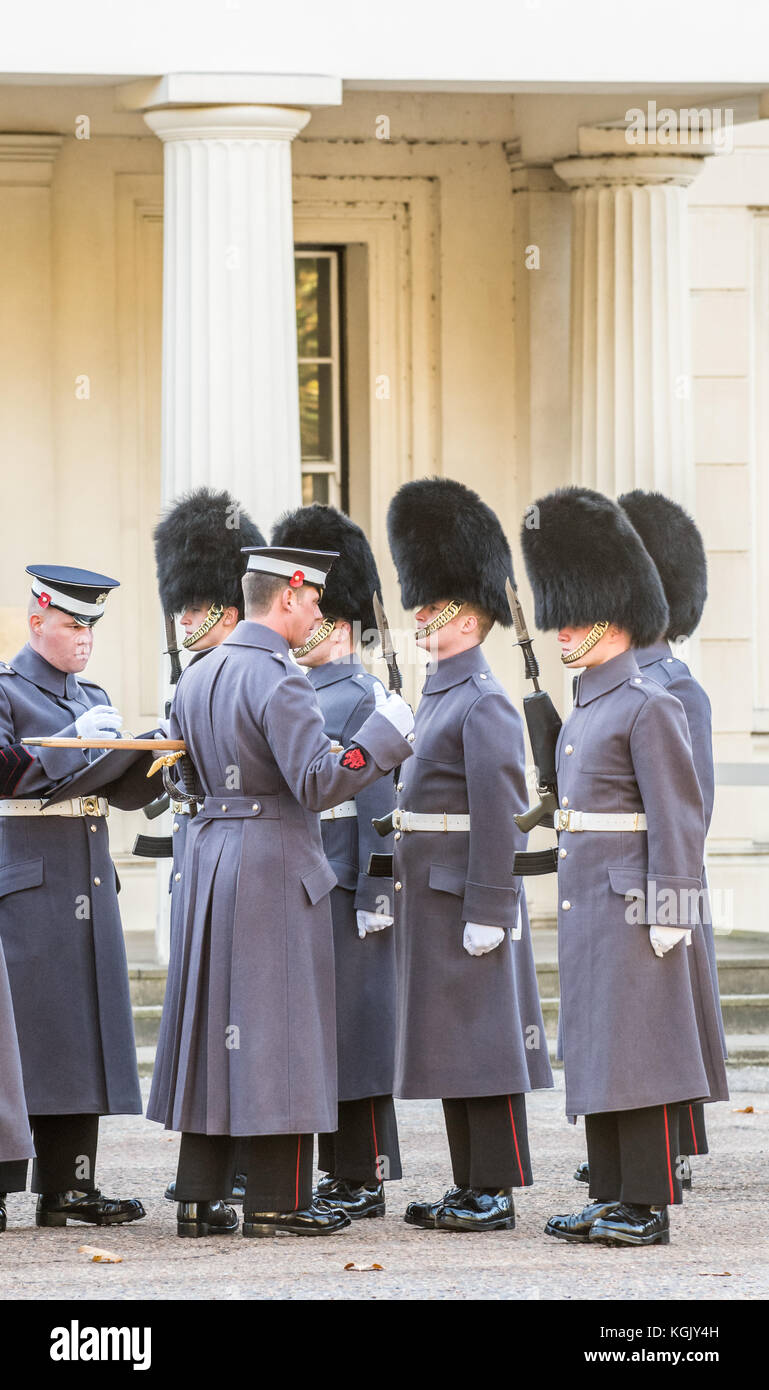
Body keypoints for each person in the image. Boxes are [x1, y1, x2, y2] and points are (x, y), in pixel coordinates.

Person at [151, 545, 414, 1238]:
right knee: (286, 1037)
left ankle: (201, 1197)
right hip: (273, 863)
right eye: (314, 603)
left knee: (219, 1033)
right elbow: (318, 783)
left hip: (214, 861)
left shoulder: (198, 675)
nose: (319, 617)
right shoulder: (281, 680)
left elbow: (180, 782)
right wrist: (381, 739)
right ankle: (277, 1198)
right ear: (289, 597)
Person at [520, 486, 728, 1248]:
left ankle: (643, 1203)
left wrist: (673, 911)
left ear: (612, 614)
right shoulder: (589, 704)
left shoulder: (648, 702)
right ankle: (608, 1193)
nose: (562, 629)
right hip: (590, 901)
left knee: (637, 1052)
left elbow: (680, 815)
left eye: (573, 617)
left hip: (636, 905)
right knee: (602, 1049)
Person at [385, 477, 553, 1234]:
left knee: (485, 1049)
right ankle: (468, 1184)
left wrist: (492, 905)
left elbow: (500, 813)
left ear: (466, 614)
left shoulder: (482, 699)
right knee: (454, 1049)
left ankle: (495, 1189)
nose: (419, 615)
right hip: (430, 889)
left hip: (464, 895)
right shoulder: (435, 694)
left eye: (432, 604)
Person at [0, 565, 154, 1228]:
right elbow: (6, 772)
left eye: (91, 624)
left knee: (77, 1040)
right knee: (22, 1044)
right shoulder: (6, 691)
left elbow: (101, 785)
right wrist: (73, 744)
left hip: (86, 873)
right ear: (38, 624)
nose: (84, 636)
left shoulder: (90, 693)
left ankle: (70, 1188)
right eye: (71, 624)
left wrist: (144, 761)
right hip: (29, 875)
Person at [271, 503, 400, 1220]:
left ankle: (364, 1173)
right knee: (318, 1035)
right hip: (305, 876)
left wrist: (376, 891)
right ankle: (335, 1168)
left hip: (349, 881)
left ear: (342, 623)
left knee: (358, 1036)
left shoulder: (360, 693)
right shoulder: (296, 687)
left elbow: (377, 801)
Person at [144, 487, 265, 1214]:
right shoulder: (224, 674)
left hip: (217, 860)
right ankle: (231, 1176)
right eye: (182, 608)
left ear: (223, 604)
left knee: (222, 1024)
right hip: (226, 860)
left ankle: (211, 1183)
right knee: (228, 1026)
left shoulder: (221, 675)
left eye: (194, 608)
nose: (185, 619)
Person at [618, 490, 726, 1186]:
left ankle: (669, 1152)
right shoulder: (622, 682)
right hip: (632, 875)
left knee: (669, 1022)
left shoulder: (675, 688)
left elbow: (691, 806)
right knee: (645, 1022)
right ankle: (645, 1147)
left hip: (666, 875)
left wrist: (670, 892)